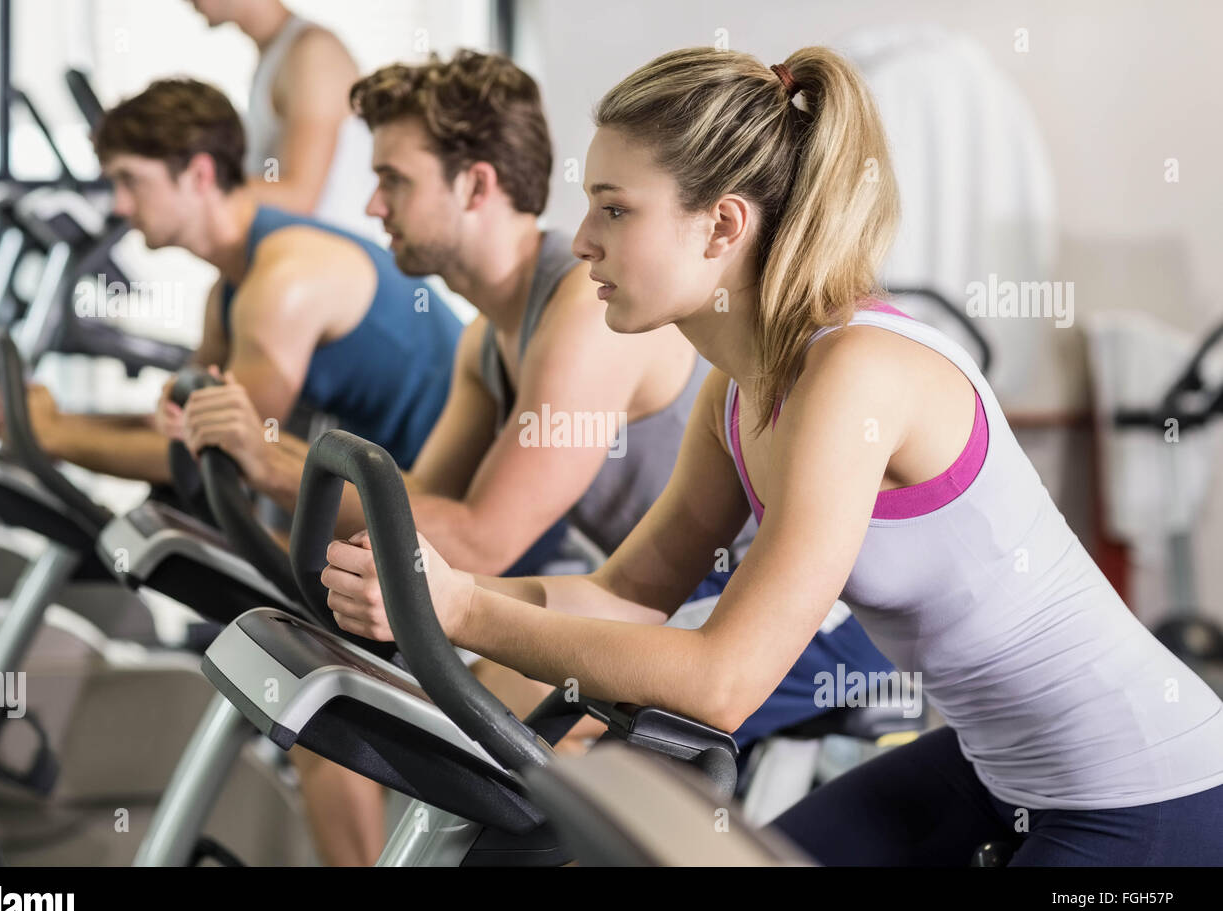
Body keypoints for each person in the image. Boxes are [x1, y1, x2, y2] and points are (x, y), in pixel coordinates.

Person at [321, 46, 1223, 866]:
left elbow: (722, 681)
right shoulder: (740, 384)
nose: (583, 241)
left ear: (721, 227)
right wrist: (426, 594)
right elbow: (631, 596)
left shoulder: (854, 376)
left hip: (1145, 794)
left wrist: (468, 613)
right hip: (996, 771)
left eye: (614, 209)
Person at [182, 50, 897, 865]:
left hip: (769, 618)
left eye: (396, 179)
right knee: (373, 719)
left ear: (477, 185)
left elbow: (478, 540)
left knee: (485, 745)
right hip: (654, 594)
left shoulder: (584, 313)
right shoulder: (491, 334)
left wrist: (271, 461)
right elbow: (428, 511)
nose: (373, 203)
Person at [0, 78, 461, 484]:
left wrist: (51, 434)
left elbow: (212, 460)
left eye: (131, 181)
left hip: (446, 506)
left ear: (199, 174)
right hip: (395, 495)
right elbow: (180, 428)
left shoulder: (283, 280)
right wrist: (56, 420)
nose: (120, 206)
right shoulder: (229, 291)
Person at [186, 0, 380, 238]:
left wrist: (188, 183)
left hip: (337, 263)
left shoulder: (313, 52)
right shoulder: (276, 55)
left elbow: (299, 197)